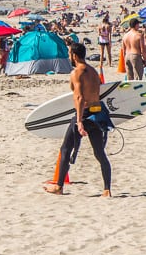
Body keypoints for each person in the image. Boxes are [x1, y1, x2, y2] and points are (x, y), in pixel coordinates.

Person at [44, 43, 112, 197]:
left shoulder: (76, 73)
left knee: (65, 149)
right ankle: (107, 189)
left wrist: (79, 121)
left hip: (84, 114)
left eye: (70, 53)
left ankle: (59, 187)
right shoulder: (93, 71)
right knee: (100, 153)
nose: (69, 56)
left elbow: (80, 98)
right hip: (96, 114)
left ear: (74, 55)